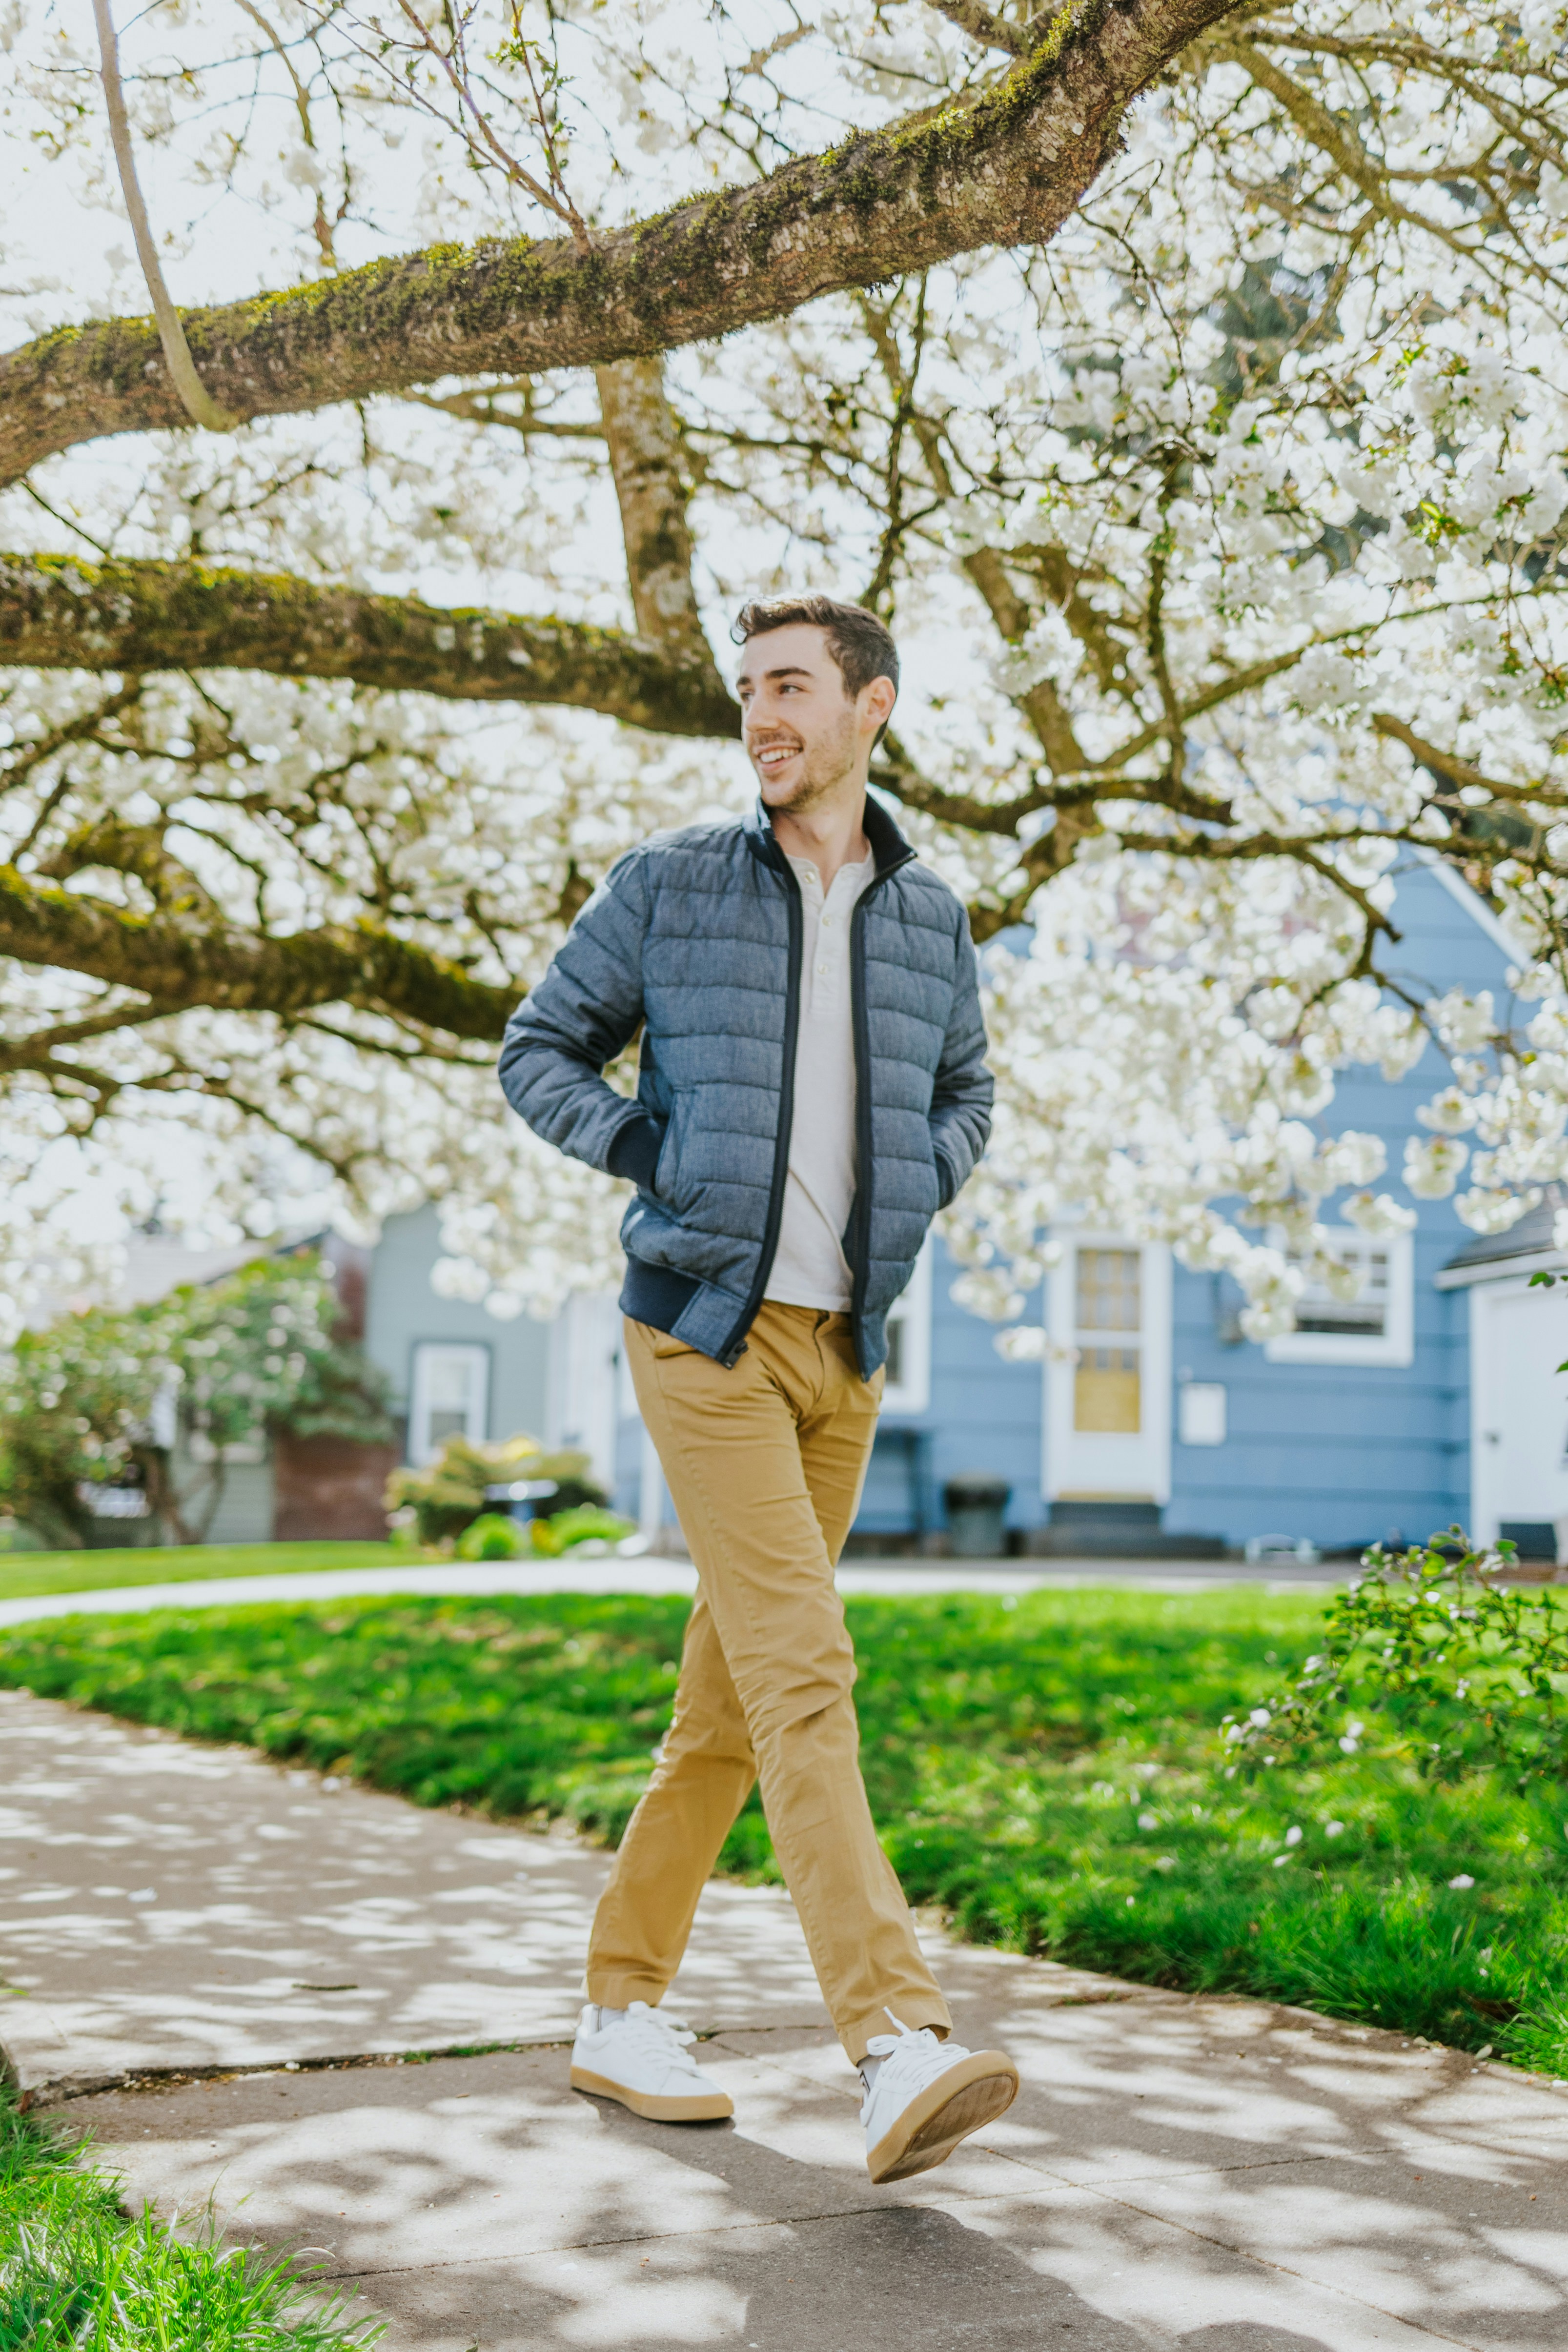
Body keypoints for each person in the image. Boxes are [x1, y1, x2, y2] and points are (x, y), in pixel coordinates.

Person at [498, 593, 1016, 2184]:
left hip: (843, 1351)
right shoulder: (668, 884)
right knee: (807, 1670)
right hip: (706, 1335)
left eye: (791, 688)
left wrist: (919, 1181)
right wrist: (653, 1147)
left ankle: (619, 2001)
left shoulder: (931, 919)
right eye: (748, 693)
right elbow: (541, 1051)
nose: (761, 717)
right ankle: (892, 2036)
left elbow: (968, 1091)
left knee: (726, 1709)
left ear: (873, 708)